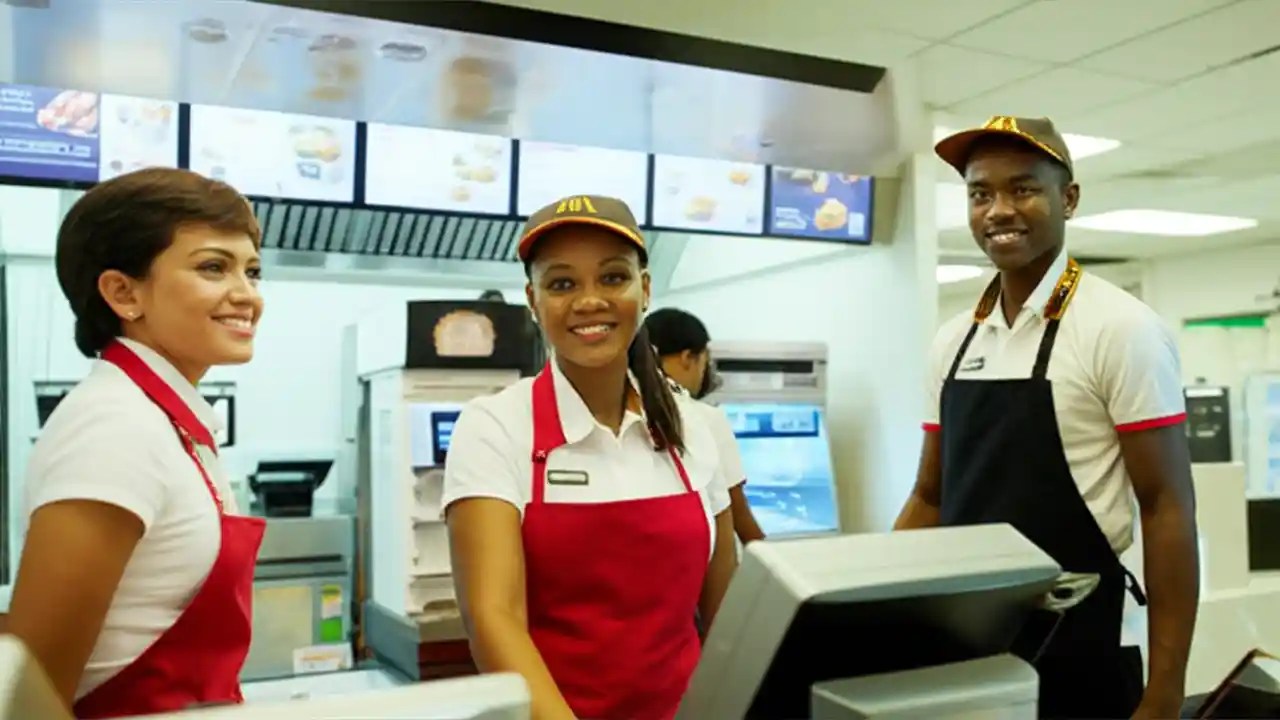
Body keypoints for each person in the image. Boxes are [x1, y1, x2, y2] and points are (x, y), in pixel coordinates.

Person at [894, 116, 1198, 719]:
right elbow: (931, 496)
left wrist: (1165, 690)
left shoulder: (1122, 329)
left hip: (1084, 650)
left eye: (1023, 188)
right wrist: (871, 611)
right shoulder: (953, 340)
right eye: (981, 194)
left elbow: (1167, 508)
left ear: (1069, 198)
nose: (998, 210)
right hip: (970, 648)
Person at [443, 195, 738, 720]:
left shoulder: (695, 427)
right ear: (533, 302)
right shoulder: (494, 428)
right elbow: (495, 618)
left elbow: (727, 615)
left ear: (644, 290)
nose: (589, 300)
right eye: (561, 284)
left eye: (611, 278)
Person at [7, 167, 266, 717]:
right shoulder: (115, 426)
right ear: (123, 293)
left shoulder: (161, 419)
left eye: (253, 271)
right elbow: (31, 689)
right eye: (214, 268)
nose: (247, 296)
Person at [645, 307, 766, 543]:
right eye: (704, 362)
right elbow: (737, 515)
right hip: (703, 557)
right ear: (687, 357)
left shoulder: (627, 411)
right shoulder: (707, 418)